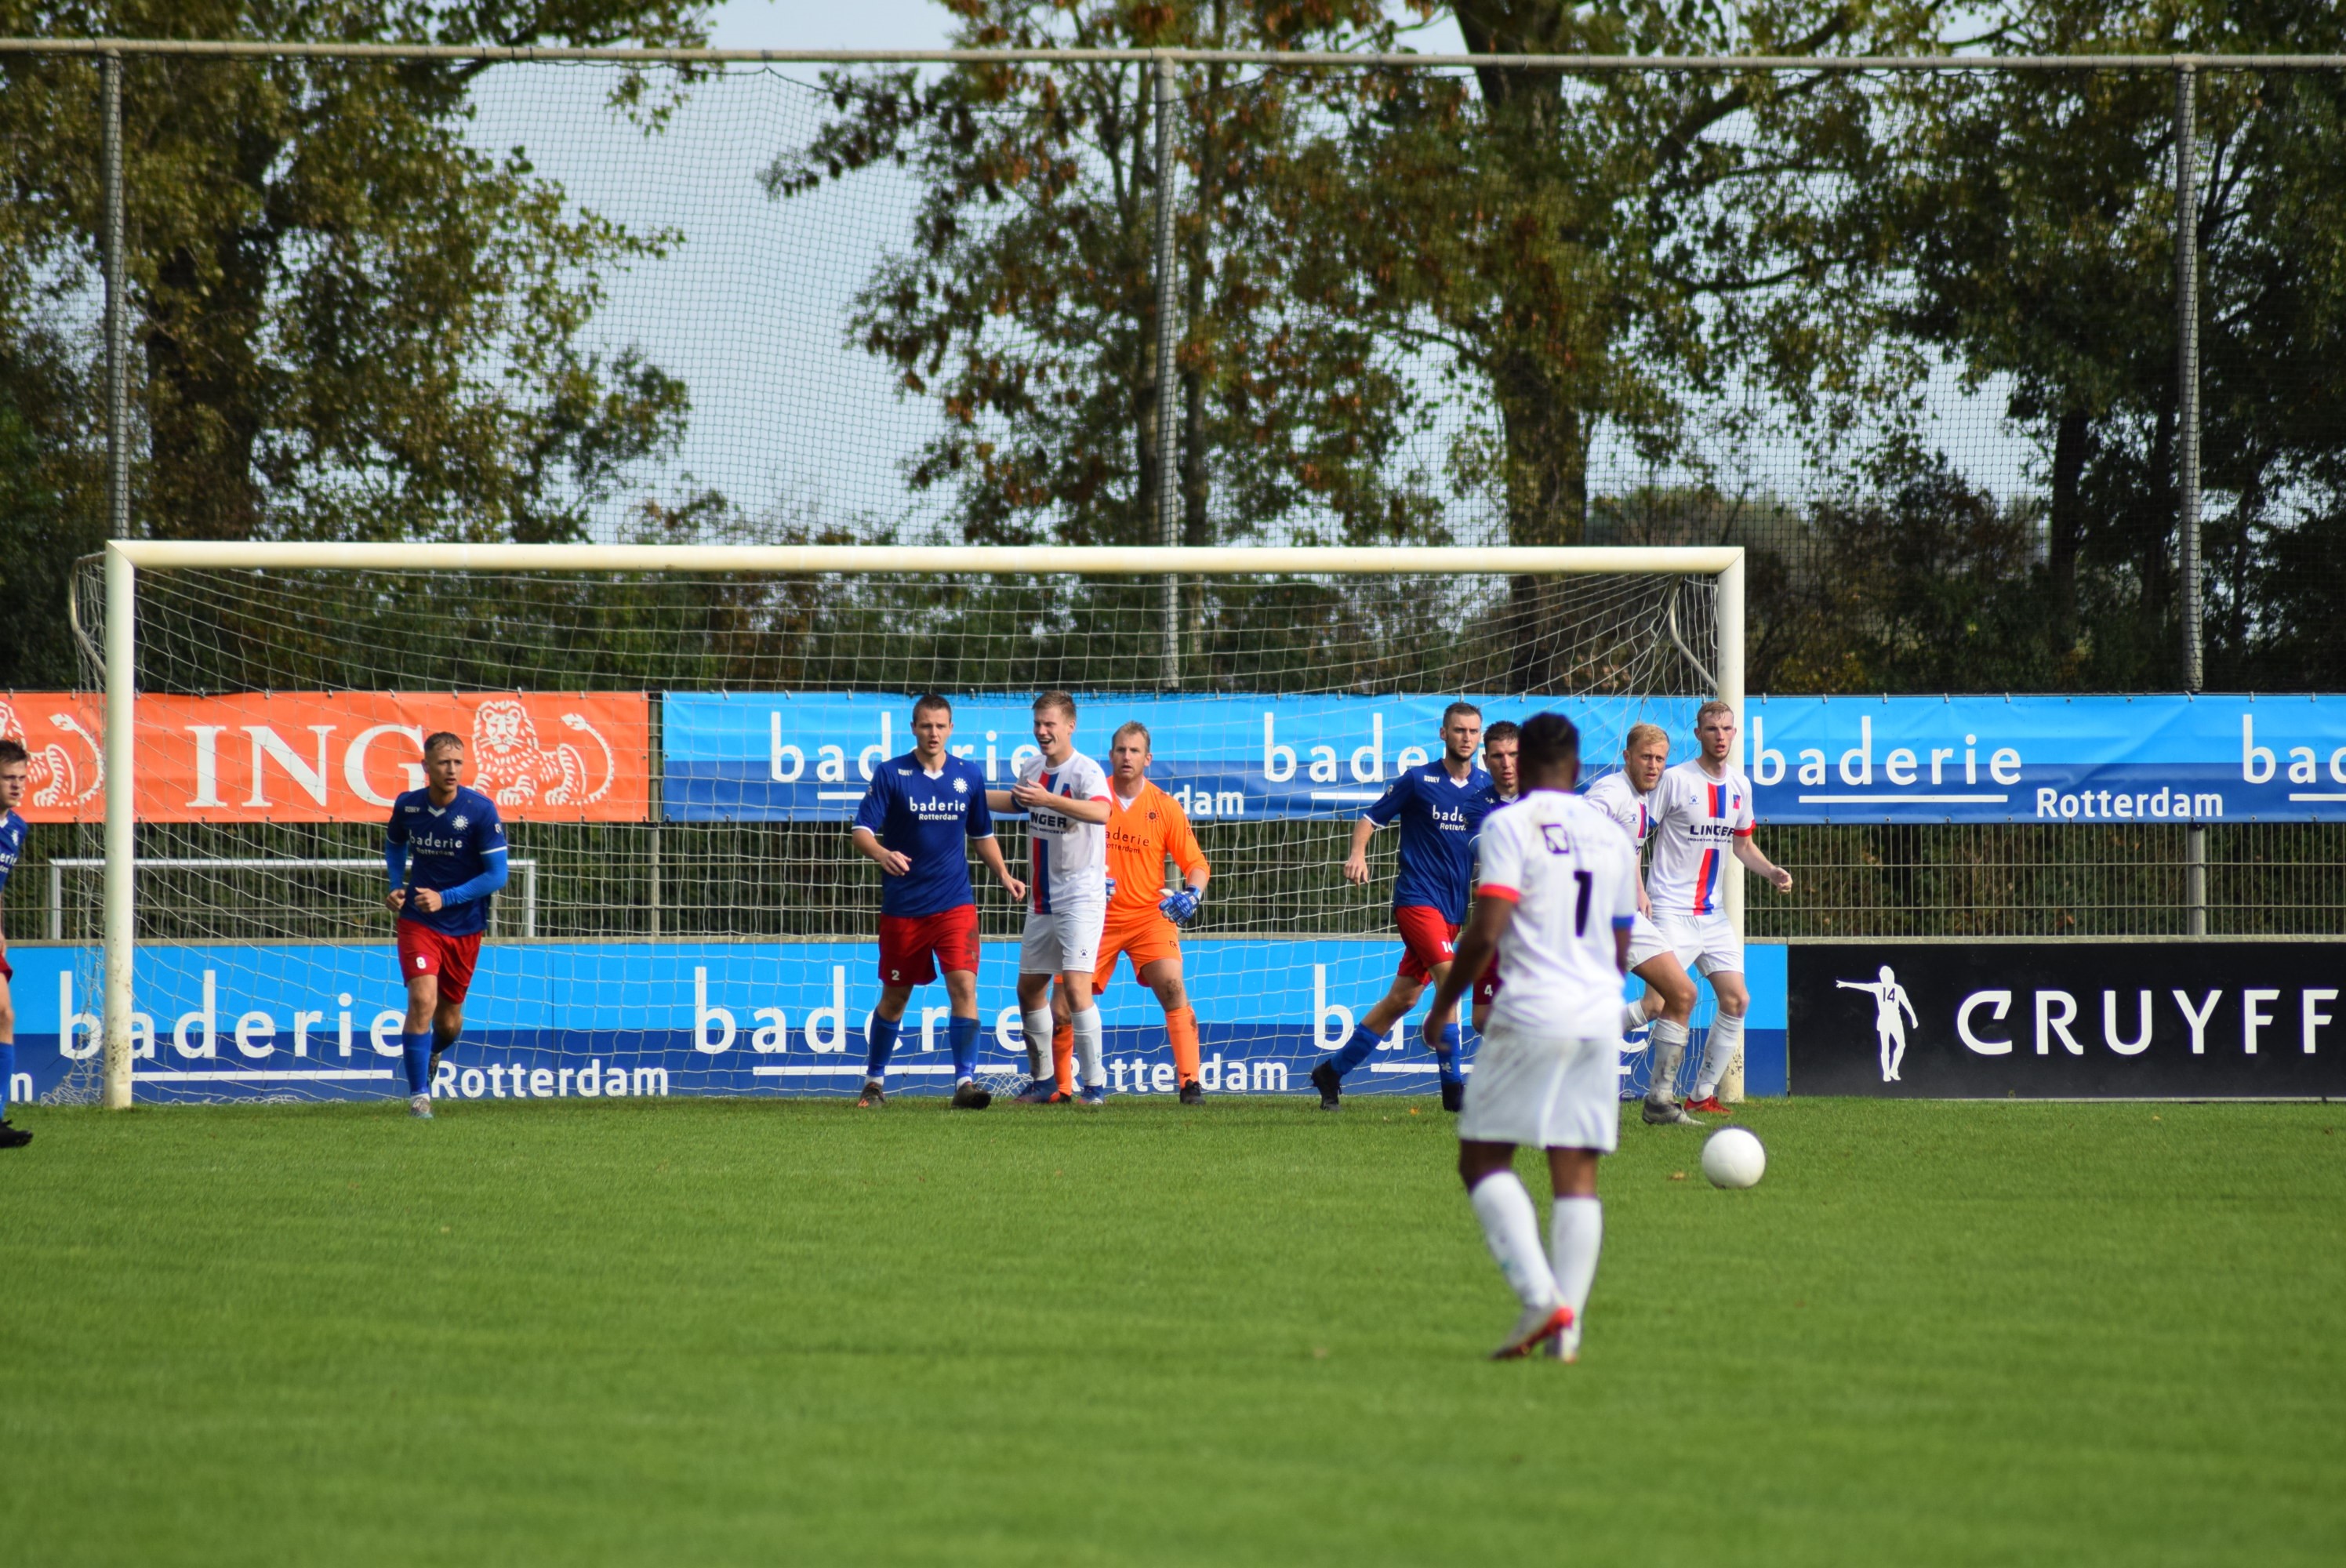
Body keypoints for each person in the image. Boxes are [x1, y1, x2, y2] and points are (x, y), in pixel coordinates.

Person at [1423, 712, 1639, 1362]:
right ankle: (1565, 1333)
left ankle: (1541, 1296)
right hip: (1598, 1011)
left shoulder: (1507, 826)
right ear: (1574, 769)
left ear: (1521, 762)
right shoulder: (1611, 836)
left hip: (1531, 1009)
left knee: (1483, 1160)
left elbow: (1485, 931)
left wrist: (1445, 1006)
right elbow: (1621, 946)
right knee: (1575, 1172)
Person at [1312, 702, 1494, 1112]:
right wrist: (1358, 853)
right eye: (1459, 730)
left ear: (1479, 737)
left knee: (1403, 1000)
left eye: (1473, 731)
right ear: (1443, 734)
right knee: (1452, 982)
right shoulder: (1419, 779)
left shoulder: (1486, 789)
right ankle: (1454, 1090)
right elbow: (1370, 819)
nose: (1467, 737)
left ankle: (1332, 1072)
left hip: (1452, 912)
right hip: (1416, 901)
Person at [851, 694, 1025, 1109]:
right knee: (896, 996)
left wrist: (1002, 873)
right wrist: (882, 852)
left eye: (940, 725)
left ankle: (965, 1083)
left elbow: (981, 833)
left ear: (951, 729)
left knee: (964, 985)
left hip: (955, 902)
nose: (933, 733)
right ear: (913, 727)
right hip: (904, 906)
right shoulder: (892, 774)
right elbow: (861, 830)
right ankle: (874, 1083)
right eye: (926, 725)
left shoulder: (968, 774)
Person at [1043, 720, 1211, 1103]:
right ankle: (1061, 1088)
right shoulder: (1091, 797)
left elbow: (1197, 863)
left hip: (1148, 918)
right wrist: (1082, 876)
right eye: (1120, 750)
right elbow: (1059, 846)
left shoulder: (1165, 806)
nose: (1126, 757)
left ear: (1148, 759)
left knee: (1172, 985)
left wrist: (1192, 894)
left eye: (1134, 751)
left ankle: (1190, 1084)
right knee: (1063, 1007)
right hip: (1091, 914)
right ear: (1110, 755)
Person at [1645, 699, 1794, 1116]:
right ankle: (1591, 1044)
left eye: (1727, 729)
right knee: (1657, 1004)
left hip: (1711, 916)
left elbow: (1743, 844)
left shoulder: (1740, 786)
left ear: (1734, 733)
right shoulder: (1675, 780)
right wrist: (1635, 890)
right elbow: (1640, 830)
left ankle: (1701, 1094)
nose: (1721, 736)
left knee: (1736, 1000)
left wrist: (1771, 872)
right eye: (1712, 729)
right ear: (1698, 734)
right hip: (1671, 910)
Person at [987, 692, 1113, 1106]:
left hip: (1080, 896)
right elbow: (1017, 802)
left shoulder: (1087, 771)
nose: (1042, 732)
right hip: (1041, 899)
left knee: (1077, 990)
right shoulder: (1032, 767)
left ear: (1070, 726)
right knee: (1028, 989)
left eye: (1050, 724)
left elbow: (1101, 812)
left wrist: (1050, 800)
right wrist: (969, 795)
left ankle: (1094, 1088)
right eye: (1038, 724)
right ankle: (1044, 1082)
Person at [1582, 723, 1704, 1124]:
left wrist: (1637, 887)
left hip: (1626, 912)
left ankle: (1658, 1101)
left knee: (1681, 995)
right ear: (1627, 757)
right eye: (1645, 758)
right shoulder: (1612, 792)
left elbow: (1630, 846)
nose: (1653, 766)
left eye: (1660, 759)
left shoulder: (1642, 799)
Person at [384, 733, 510, 1120]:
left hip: (465, 926)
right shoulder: (408, 807)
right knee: (422, 1000)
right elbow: (394, 844)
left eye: (457, 762)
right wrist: (395, 885)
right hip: (419, 922)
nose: (451, 769)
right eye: (443, 763)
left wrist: (447, 898)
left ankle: (434, 1050)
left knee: (450, 1022)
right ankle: (419, 1096)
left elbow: (497, 876)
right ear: (426, 767)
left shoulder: (480, 811)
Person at [1468, 720, 1520, 1036]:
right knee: (1482, 1019)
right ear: (1486, 761)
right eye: (1498, 756)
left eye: (1513, 754)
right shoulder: (1476, 804)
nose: (1507, 763)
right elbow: (1480, 847)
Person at [0, 739, 31, 1148]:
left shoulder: (16, 829)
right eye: (8, 777)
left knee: (4, 1016)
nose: (17, 785)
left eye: (22, 777)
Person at [1839, 965, 1917, 1082]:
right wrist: (1846, 984)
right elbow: (1862, 987)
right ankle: (1886, 1072)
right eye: (1882, 976)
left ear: (1890, 976)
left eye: (1885, 976)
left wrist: (1913, 1017)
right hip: (1885, 1019)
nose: (1883, 978)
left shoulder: (1898, 989)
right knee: (1885, 1047)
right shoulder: (1879, 987)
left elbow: (1906, 1003)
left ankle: (1893, 1070)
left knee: (1901, 1045)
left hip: (1895, 1019)